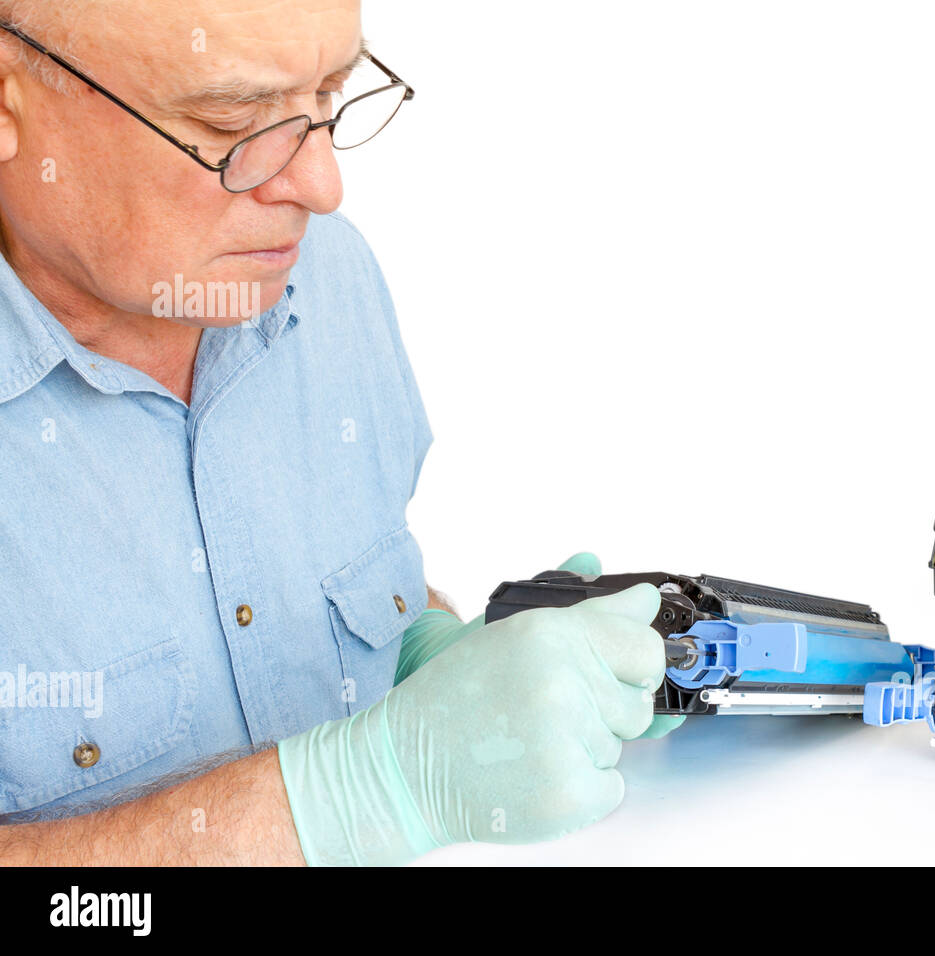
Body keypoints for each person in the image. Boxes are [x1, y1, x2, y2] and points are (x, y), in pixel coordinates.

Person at [0, 0, 681, 866]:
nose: (323, 186)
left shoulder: (321, 272)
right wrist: (358, 793)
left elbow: (341, 583)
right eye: (231, 120)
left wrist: (432, 660)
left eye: (330, 93)